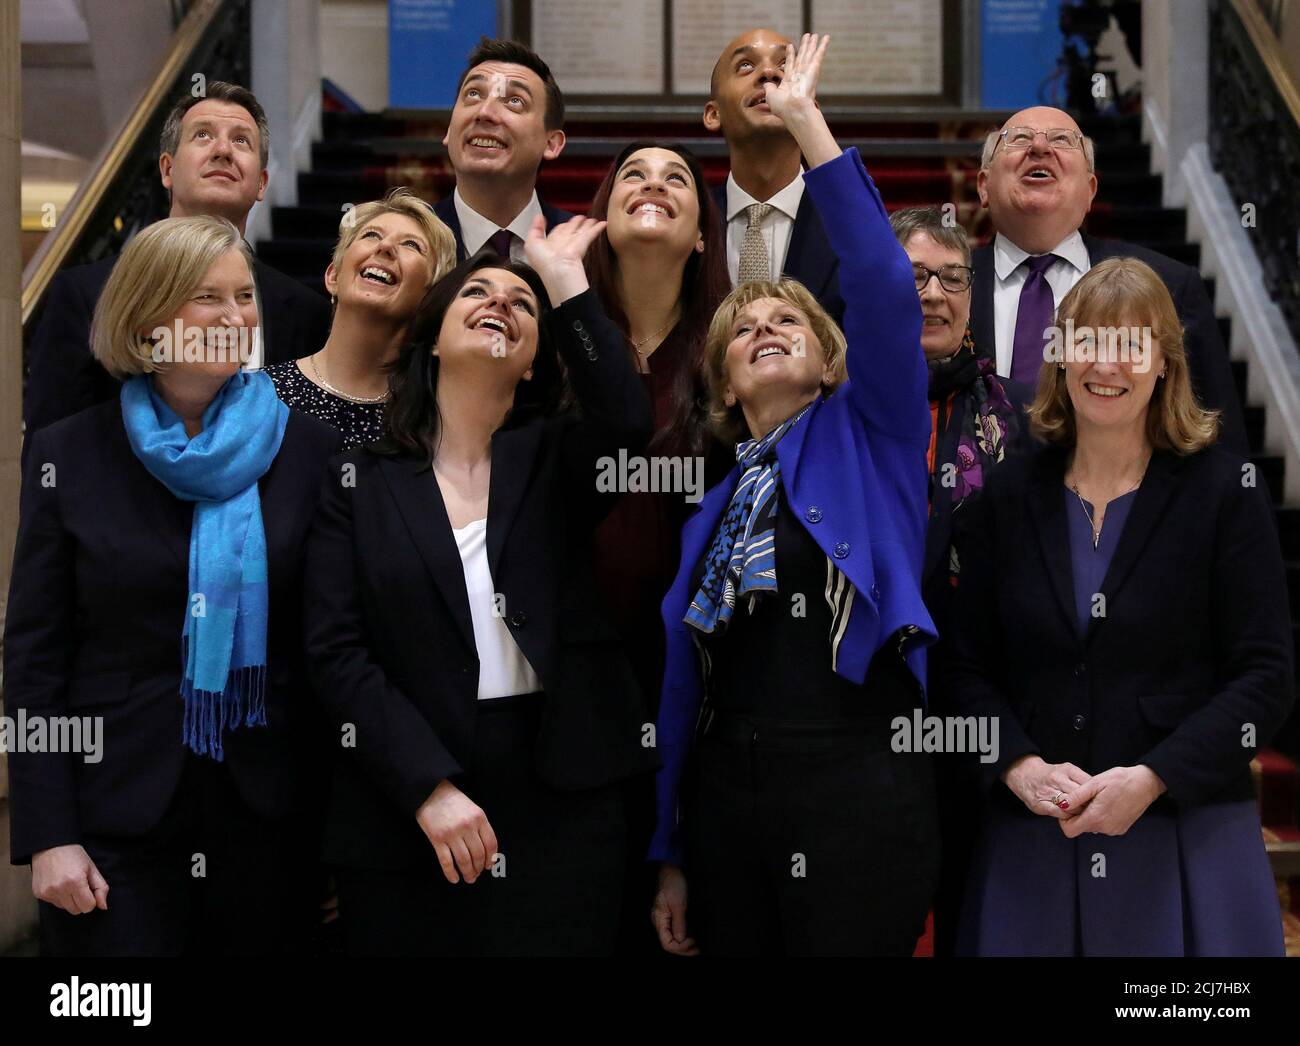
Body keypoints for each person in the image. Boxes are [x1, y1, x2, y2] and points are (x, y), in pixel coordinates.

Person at [649, 35, 939, 957]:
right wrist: (671, 851)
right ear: (725, 385)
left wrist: (808, 123)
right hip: (731, 796)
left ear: (831, 361)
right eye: (744, 330)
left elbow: (888, 285)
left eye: (790, 322)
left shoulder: (875, 432)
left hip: (859, 779)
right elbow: (683, 688)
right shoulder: (715, 502)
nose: (765, 330)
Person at [303, 215, 659, 957]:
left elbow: (625, 417)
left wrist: (563, 281)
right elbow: (337, 652)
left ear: (533, 362)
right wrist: (426, 788)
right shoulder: (357, 478)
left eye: (522, 305)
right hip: (409, 798)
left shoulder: (557, 457)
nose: (501, 303)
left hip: (562, 793)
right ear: (432, 339)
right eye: (478, 292)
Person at [5, 216, 343, 956]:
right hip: (108, 823)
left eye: (244, 296)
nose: (233, 317)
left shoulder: (308, 447)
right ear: (149, 314)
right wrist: (48, 835)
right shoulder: (72, 454)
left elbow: (331, 649)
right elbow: (33, 656)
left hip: (267, 820)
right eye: (205, 297)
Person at [947, 257, 1292, 956]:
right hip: (1033, 841)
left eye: (1130, 344)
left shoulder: (1224, 494)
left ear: (1164, 363)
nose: (1106, 365)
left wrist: (1153, 777)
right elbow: (962, 669)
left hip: (1185, 837)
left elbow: (1266, 675)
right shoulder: (1007, 498)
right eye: (1087, 341)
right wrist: (1018, 766)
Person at [582, 141, 730, 951]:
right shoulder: (560, 338)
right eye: (632, 175)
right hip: (570, 670)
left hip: (692, 673)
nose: (653, 186)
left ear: (705, 234)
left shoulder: (727, 354)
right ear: (602, 218)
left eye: (678, 178)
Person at [25, 81, 331, 442]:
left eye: (241, 140)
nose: (223, 150)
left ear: (262, 182)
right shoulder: (85, 293)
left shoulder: (305, 312)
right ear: (167, 170)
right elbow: (51, 446)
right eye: (203, 135)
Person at [889, 205, 1023, 956]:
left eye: (951, 278)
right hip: (868, 703)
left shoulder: (1018, 418)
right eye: (912, 277)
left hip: (985, 698)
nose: (934, 294)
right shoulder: (840, 407)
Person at [970, 106, 1247, 453]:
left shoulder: (1172, 286)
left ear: (1090, 191)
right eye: (1020, 138)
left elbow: (1220, 444)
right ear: (983, 186)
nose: (1039, 148)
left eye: (1061, 140)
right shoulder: (940, 290)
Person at [265, 188, 456, 449]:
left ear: (430, 297)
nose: (386, 247)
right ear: (333, 276)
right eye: (371, 235)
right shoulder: (259, 394)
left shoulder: (435, 422)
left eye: (411, 245)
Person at [704, 27, 845, 325]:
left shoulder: (849, 223)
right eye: (745, 65)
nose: (769, 73)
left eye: (784, 65)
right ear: (713, 114)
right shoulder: (691, 219)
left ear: (813, 110)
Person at [434, 38, 574, 262]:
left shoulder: (587, 250)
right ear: (449, 130)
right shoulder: (406, 240)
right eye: (473, 94)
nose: (485, 112)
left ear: (551, 143)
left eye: (515, 101)